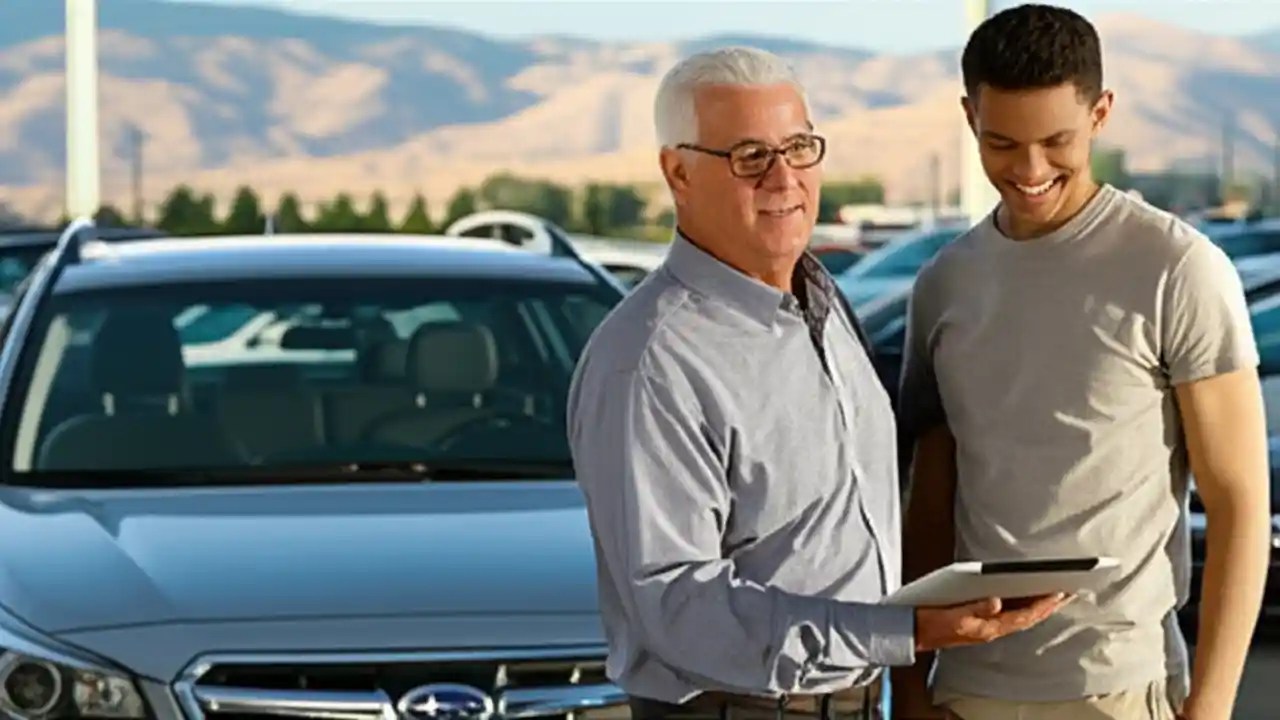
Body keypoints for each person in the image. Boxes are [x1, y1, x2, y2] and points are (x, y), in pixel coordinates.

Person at [566, 46, 1068, 720]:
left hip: (858, 699)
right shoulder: (652, 361)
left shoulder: (821, 306)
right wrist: (908, 632)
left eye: (799, 148)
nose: (785, 179)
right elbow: (680, 607)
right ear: (677, 172)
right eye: (750, 157)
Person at [892, 5, 1272, 720]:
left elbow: (1239, 503)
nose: (1029, 170)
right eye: (1001, 142)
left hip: (1120, 689)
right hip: (969, 690)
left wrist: (1213, 707)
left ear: (1101, 113)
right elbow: (931, 498)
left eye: (1055, 140)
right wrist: (911, 689)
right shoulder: (943, 283)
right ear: (969, 116)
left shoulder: (1177, 269)